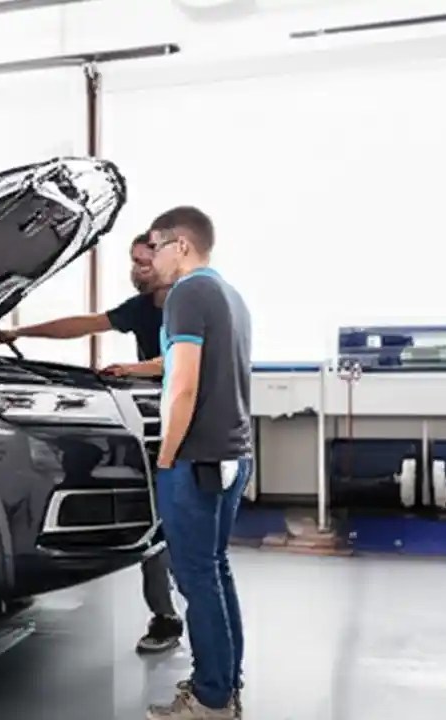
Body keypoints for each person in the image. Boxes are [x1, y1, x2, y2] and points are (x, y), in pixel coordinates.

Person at [0, 233, 185, 655]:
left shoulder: (191, 304)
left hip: (197, 426)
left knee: (187, 532)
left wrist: (132, 368)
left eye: (144, 263)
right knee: (157, 525)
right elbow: (84, 324)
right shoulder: (141, 309)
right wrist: (14, 332)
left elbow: (185, 360)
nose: (136, 271)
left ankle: (205, 634)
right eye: (133, 262)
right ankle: (165, 617)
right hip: (157, 422)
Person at [143, 207, 253, 720]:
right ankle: (225, 684)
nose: (150, 258)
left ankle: (210, 700)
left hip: (196, 459)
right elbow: (193, 364)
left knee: (195, 576)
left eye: (155, 245)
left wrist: (166, 457)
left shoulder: (186, 294)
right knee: (215, 571)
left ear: (181, 245)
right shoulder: (230, 295)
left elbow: (184, 385)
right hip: (233, 454)